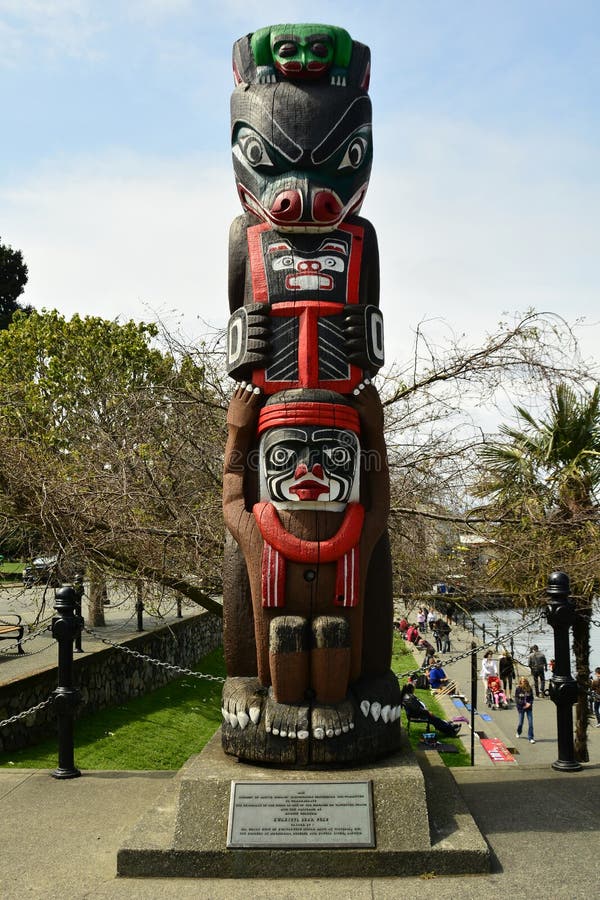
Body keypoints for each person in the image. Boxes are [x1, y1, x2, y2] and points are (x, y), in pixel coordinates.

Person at [515, 676, 535, 742]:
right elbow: (517, 699)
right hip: (521, 708)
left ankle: (531, 737)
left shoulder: (529, 688)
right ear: (520, 682)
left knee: (530, 723)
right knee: (521, 722)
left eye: (525, 681)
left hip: (529, 708)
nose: (524, 682)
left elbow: (532, 698)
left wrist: (529, 703)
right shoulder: (518, 689)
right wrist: (523, 704)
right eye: (523, 681)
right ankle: (518, 732)